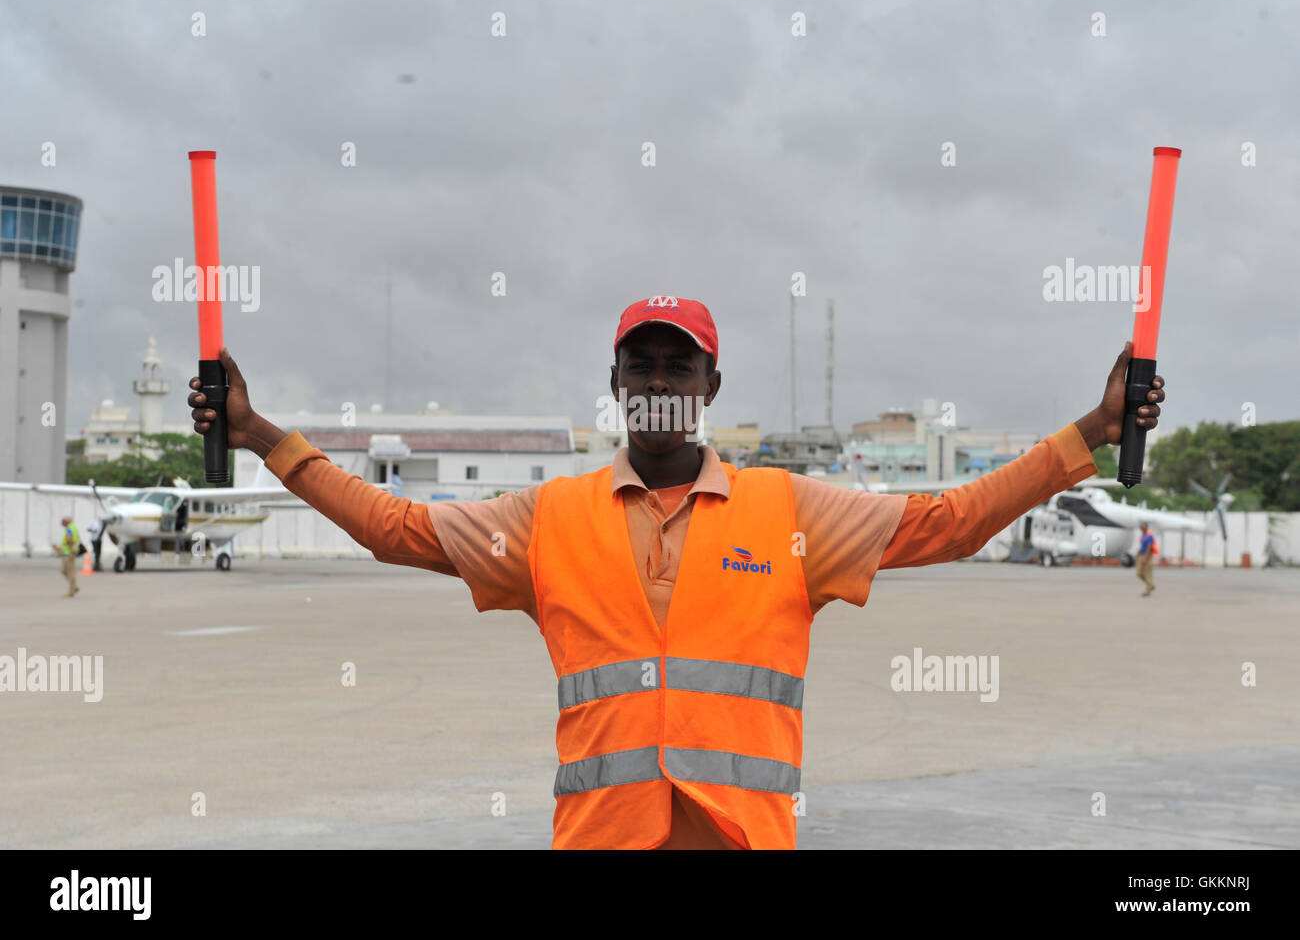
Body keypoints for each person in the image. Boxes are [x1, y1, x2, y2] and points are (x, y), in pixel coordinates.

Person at [189, 297, 1166, 849]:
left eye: (678, 366)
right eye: (640, 364)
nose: (658, 380)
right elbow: (395, 526)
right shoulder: (549, 517)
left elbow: (947, 523)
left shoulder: (789, 512)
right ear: (616, 385)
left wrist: (1091, 428)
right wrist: (260, 433)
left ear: (710, 387)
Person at [52, 516, 82, 598]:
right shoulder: (73, 527)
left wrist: (71, 548)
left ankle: (71, 592)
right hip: (66, 553)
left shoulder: (69, 529)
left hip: (69, 554)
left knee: (70, 573)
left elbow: (68, 540)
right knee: (63, 571)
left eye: (63, 521)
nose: (61, 523)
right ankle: (74, 586)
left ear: (67, 521)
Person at [1136, 521, 1158, 596]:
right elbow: (1142, 546)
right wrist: (1138, 554)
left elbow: (1149, 547)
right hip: (1142, 555)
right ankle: (1151, 585)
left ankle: (1147, 591)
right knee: (1139, 573)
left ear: (1146, 527)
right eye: (1140, 527)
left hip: (1148, 556)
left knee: (1148, 573)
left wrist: (1146, 558)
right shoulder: (1143, 535)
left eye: (1142, 526)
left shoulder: (1149, 535)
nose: (1141, 528)